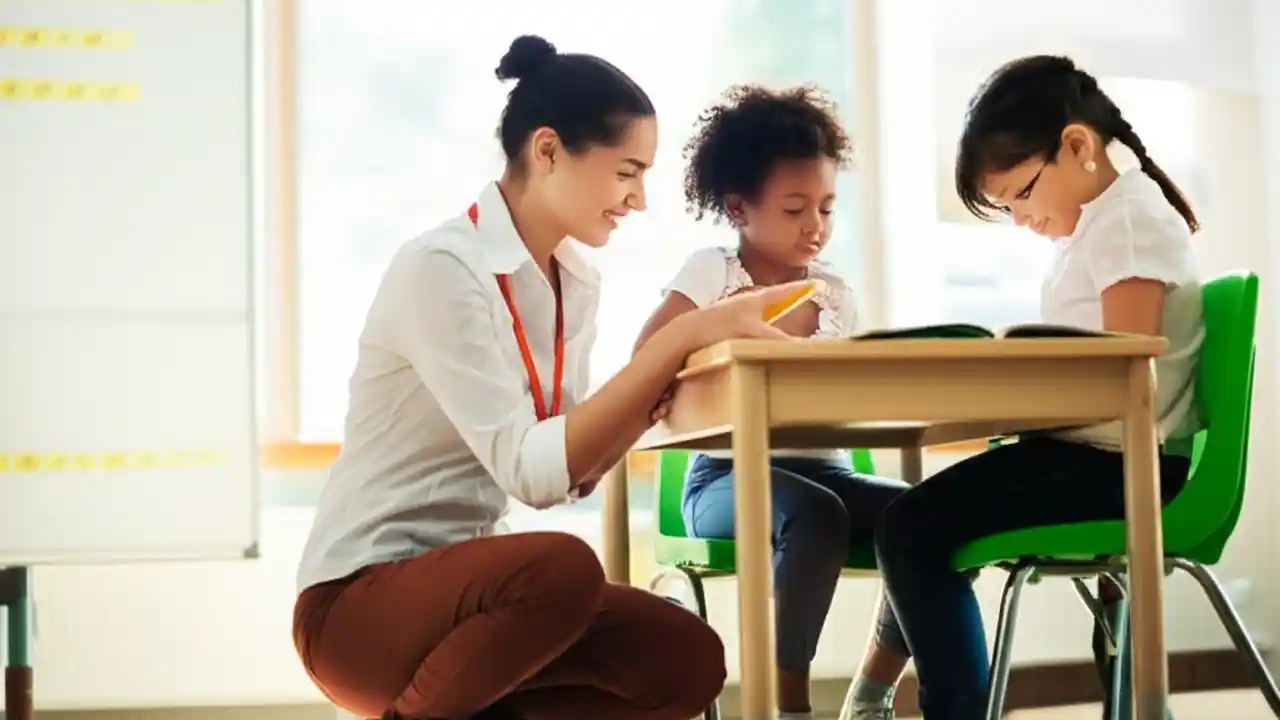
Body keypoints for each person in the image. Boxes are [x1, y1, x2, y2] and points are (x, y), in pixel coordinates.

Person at [291, 35, 808, 720]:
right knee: (561, 571)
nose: (639, 200)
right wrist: (681, 336)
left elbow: (571, 472)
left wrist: (672, 370)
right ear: (547, 150)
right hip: (357, 607)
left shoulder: (575, 283)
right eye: (628, 171)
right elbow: (530, 472)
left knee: (684, 656)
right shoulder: (442, 269)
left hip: (477, 612)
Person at [873, 54, 1204, 718]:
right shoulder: (1104, 224)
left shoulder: (1128, 220)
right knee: (912, 521)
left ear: (1077, 145)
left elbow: (1125, 374)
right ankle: (895, 694)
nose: (1020, 218)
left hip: (1121, 465)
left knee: (910, 527)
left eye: (1020, 195)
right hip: (1096, 454)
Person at [634, 84, 912, 720]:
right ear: (739, 207)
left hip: (828, 471)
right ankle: (789, 708)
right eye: (794, 209)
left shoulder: (835, 293)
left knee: (926, 513)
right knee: (815, 516)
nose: (814, 226)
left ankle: (872, 692)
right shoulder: (714, 273)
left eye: (826, 208)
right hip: (723, 479)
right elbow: (647, 357)